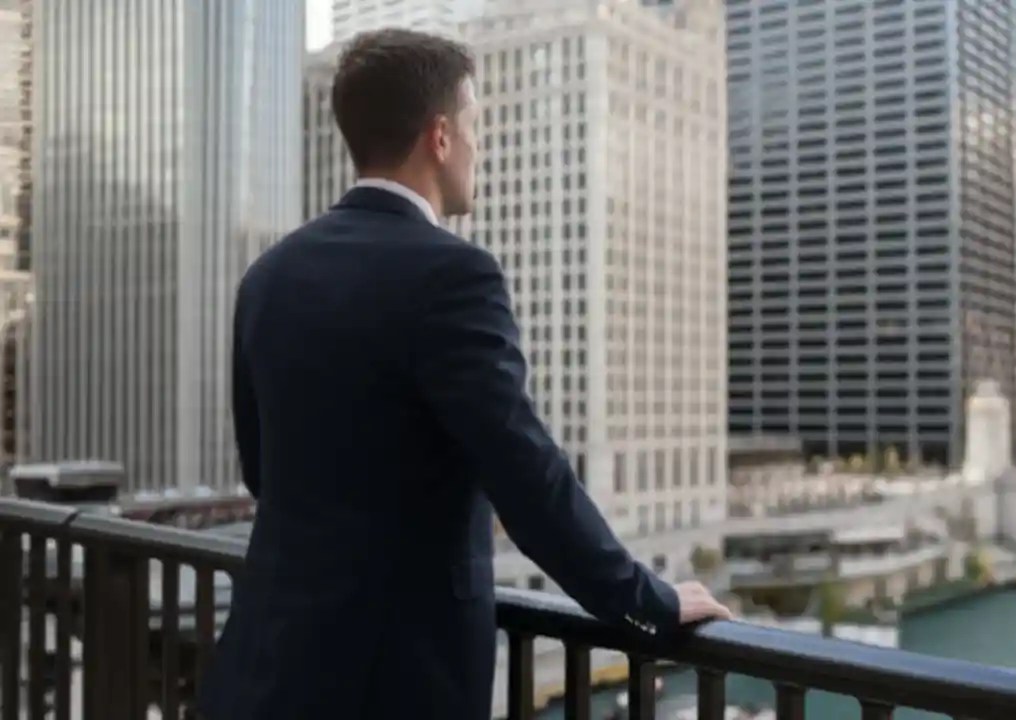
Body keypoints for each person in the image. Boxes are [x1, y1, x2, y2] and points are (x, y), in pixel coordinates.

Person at [199, 29, 730, 720]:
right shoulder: (453, 273)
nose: (482, 145)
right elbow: (524, 471)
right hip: (394, 685)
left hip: (262, 671)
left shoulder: (268, 275)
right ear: (441, 136)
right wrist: (644, 603)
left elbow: (262, 470)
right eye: (476, 123)